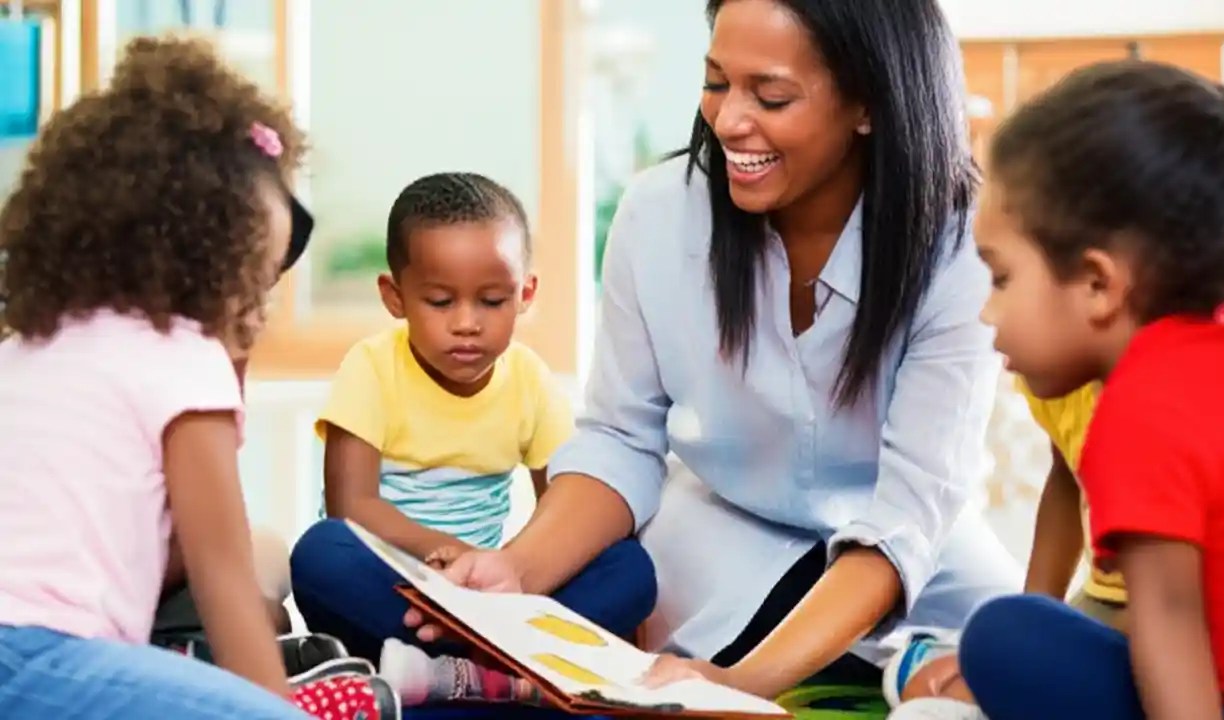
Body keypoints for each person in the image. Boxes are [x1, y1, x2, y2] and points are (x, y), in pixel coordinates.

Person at [415, 0, 1020, 703]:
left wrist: (733, 687)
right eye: (714, 83)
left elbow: (907, 515)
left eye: (770, 95)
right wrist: (516, 566)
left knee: (1019, 671)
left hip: (916, 569)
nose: (728, 120)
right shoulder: (658, 214)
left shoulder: (959, 246)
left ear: (868, 104)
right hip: (716, 547)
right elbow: (620, 438)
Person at [0, 36, 405, 719]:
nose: (262, 306)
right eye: (257, 282)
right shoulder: (184, 361)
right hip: (41, 653)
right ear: (206, 253)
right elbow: (224, 582)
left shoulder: (30, 342)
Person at [907, 63, 1224, 720]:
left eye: (999, 279)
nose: (986, 314)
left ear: (1099, 285)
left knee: (1005, 636)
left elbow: (1167, 629)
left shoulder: (1138, 408)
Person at [288, 174, 657, 708]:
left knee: (631, 568)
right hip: (399, 591)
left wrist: (508, 571)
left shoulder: (529, 379)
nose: (467, 324)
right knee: (321, 552)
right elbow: (353, 507)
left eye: (492, 301)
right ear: (395, 297)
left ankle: (444, 687)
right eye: (440, 301)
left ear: (525, 293)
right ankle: (503, 686)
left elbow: (566, 503)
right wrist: (456, 558)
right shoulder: (370, 367)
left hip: (498, 601)